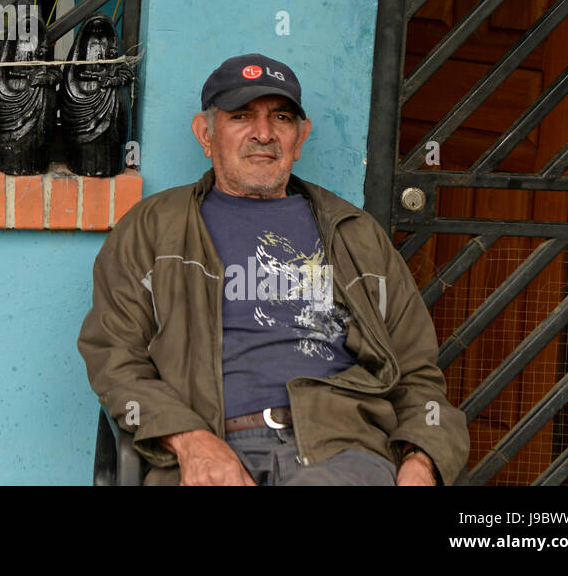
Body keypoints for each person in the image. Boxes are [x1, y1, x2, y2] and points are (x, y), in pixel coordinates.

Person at [77, 53, 470, 486]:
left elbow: (416, 372)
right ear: (205, 134)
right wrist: (190, 442)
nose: (262, 133)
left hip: (340, 451)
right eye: (241, 116)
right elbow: (116, 359)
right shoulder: (153, 230)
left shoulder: (355, 235)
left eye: (280, 118)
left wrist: (422, 458)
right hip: (211, 447)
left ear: (300, 138)